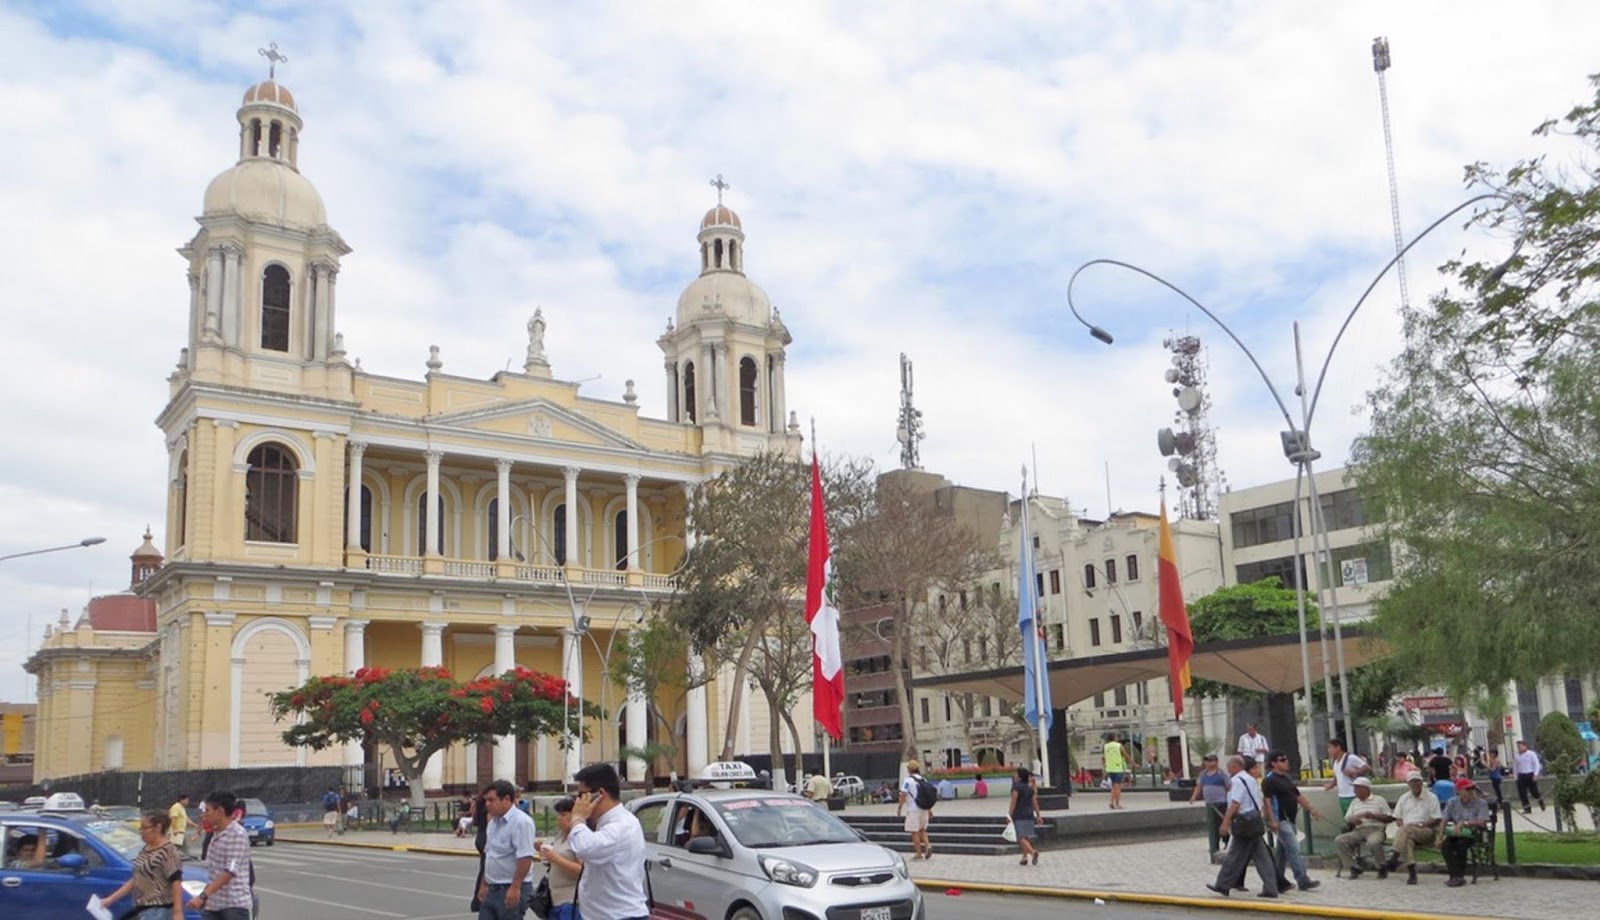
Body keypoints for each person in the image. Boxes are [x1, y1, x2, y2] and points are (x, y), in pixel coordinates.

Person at [567, 762, 651, 920]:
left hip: (619, 915)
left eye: (581, 795)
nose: (577, 802)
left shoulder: (621, 826)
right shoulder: (606, 823)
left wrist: (577, 818)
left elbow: (585, 848)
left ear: (600, 794)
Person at [1206, 755, 1278, 899]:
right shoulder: (1251, 780)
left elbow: (1235, 803)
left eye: (1229, 768)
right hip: (1254, 821)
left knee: (1234, 855)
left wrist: (1225, 822)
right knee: (1262, 857)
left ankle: (1222, 885)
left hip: (1244, 823)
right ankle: (1271, 887)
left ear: (1235, 767)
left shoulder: (1237, 781)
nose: (1228, 771)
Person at [100, 809, 184, 920]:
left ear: (158, 828)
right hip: (142, 908)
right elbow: (137, 879)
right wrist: (111, 899)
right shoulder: (146, 849)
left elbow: (176, 881)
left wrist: (177, 912)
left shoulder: (167, 851)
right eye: (140, 828)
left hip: (158, 910)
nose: (141, 832)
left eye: (145, 828)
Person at [186, 790, 254, 919]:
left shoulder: (236, 834)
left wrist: (203, 896)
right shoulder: (216, 833)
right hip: (214, 904)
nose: (204, 815)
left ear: (220, 811)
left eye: (207, 810)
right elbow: (214, 872)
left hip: (233, 905)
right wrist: (205, 896)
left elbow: (230, 871)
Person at [476, 779, 537, 920]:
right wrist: (484, 883)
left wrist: (515, 887)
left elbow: (525, 857)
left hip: (510, 887)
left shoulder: (521, 822)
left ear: (507, 799)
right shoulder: (493, 823)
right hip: (492, 887)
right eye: (486, 800)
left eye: (492, 800)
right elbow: (490, 855)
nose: (487, 804)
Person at [1262, 750, 1322, 893]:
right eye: (1282, 760)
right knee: (1294, 849)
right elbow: (1267, 802)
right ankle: (1302, 880)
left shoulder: (1286, 778)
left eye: (1286, 759)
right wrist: (1272, 820)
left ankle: (1276, 880)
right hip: (1281, 820)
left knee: (1282, 853)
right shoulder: (1269, 780)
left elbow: (1297, 796)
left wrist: (1311, 809)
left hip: (1290, 819)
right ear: (1274, 763)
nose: (1286, 761)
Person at [1335, 777, 1394, 879]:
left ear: (1365, 788)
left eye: (1357, 788)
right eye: (1354, 788)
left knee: (1373, 842)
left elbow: (1389, 817)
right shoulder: (1354, 802)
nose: (1354, 791)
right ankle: (1354, 866)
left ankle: (1381, 866)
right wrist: (1354, 819)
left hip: (1376, 829)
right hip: (1359, 829)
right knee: (1340, 840)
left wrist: (1373, 816)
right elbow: (1348, 818)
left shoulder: (1379, 800)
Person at [1390, 774, 1443, 884]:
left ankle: (1394, 856)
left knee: (1406, 830)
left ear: (1421, 782)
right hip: (1407, 832)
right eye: (1412, 782)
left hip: (1426, 830)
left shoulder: (1431, 797)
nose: (1415, 784)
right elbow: (1398, 818)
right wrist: (1403, 827)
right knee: (1407, 841)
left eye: (1417, 781)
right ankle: (1412, 874)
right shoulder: (1404, 798)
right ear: (1408, 784)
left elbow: (1436, 818)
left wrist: (1420, 825)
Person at [537, 797, 584, 920]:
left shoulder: (579, 837)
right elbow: (555, 862)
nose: (559, 818)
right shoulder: (560, 836)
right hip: (554, 899)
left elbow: (582, 870)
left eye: (563, 815)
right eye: (558, 815)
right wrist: (544, 853)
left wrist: (556, 858)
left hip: (571, 900)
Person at [1440, 778, 1491, 887]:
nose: (1471, 791)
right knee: (1446, 846)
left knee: (1460, 845)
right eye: (1467, 789)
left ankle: (1459, 876)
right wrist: (1440, 835)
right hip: (1456, 832)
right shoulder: (1452, 802)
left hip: (1474, 833)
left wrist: (1465, 823)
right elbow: (1444, 819)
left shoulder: (1480, 803)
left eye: (1472, 788)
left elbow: (1482, 822)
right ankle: (1454, 875)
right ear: (1459, 791)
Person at [1190, 754, 1230, 852]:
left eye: (1210, 760)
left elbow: (1228, 786)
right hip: (1209, 804)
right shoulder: (1203, 774)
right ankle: (1214, 844)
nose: (1207, 763)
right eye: (1206, 761)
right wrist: (1194, 796)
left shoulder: (1221, 774)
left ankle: (1226, 840)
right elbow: (1199, 786)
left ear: (1216, 762)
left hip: (1221, 802)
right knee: (1212, 825)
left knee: (1220, 823)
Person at [1323, 738, 1370, 815]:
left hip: (1353, 794)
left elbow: (1367, 767)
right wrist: (1330, 785)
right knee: (1347, 818)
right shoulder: (1335, 762)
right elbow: (1337, 777)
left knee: (1356, 816)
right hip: (1342, 795)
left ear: (1338, 747)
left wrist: (1355, 772)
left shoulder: (1350, 758)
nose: (1328, 751)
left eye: (1330, 747)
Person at [898, 759, 934, 860]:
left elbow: (903, 795)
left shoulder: (908, 780)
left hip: (913, 809)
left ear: (909, 769)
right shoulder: (923, 779)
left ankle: (918, 853)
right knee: (922, 830)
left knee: (914, 832)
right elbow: (927, 796)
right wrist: (929, 809)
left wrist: (900, 807)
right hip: (924, 808)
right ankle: (928, 846)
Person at [1008, 767, 1042, 866]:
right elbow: (1034, 802)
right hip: (1029, 814)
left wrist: (1009, 814)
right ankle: (1024, 857)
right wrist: (1038, 815)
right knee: (1026, 837)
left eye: (1016, 774)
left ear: (1019, 777)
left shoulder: (1016, 787)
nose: (1014, 776)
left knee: (1020, 837)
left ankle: (1032, 852)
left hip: (1019, 814)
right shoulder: (1030, 788)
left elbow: (1013, 801)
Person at [1513, 740, 1546, 814]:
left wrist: (1535, 774)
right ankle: (1527, 808)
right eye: (1518, 746)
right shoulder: (1516, 755)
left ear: (1525, 746)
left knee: (1534, 792)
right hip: (1521, 775)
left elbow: (1536, 764)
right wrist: (1515, 776)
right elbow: (1515, 766)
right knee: (1522, 793)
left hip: (1530, 774)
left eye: (1520, 746)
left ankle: (1540, 801)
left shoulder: (1531, 754)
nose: (1519, 748)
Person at [1103, 734, 1127, 809]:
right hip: (1118, 769)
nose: (1117, 738)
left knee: (1113, 787)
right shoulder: (1118, 745)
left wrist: (1105, 771)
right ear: (1114, 738)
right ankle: (1117, 804)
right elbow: (1126, 755)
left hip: (1110, 768)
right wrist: (1133, 763)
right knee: (1118, 787)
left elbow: (1105, 758)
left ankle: (1111, 802)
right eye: (1116, 737)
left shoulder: (1106, 746)